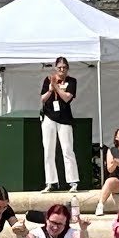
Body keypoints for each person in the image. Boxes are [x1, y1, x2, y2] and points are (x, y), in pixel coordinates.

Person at [39, 57, 79, 193]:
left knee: (67, 149)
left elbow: (67, 98)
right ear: (56, 68)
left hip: (64, 118)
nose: (62, 70)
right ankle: (50, 182)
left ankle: (73, 181)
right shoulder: (48, 80)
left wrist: (57, 87)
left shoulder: (71, 81)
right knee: (48, 150)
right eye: (59, 67)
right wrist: (50, 89)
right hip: (49, 116)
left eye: (64, 68)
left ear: (67, 69)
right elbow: (42, 98)